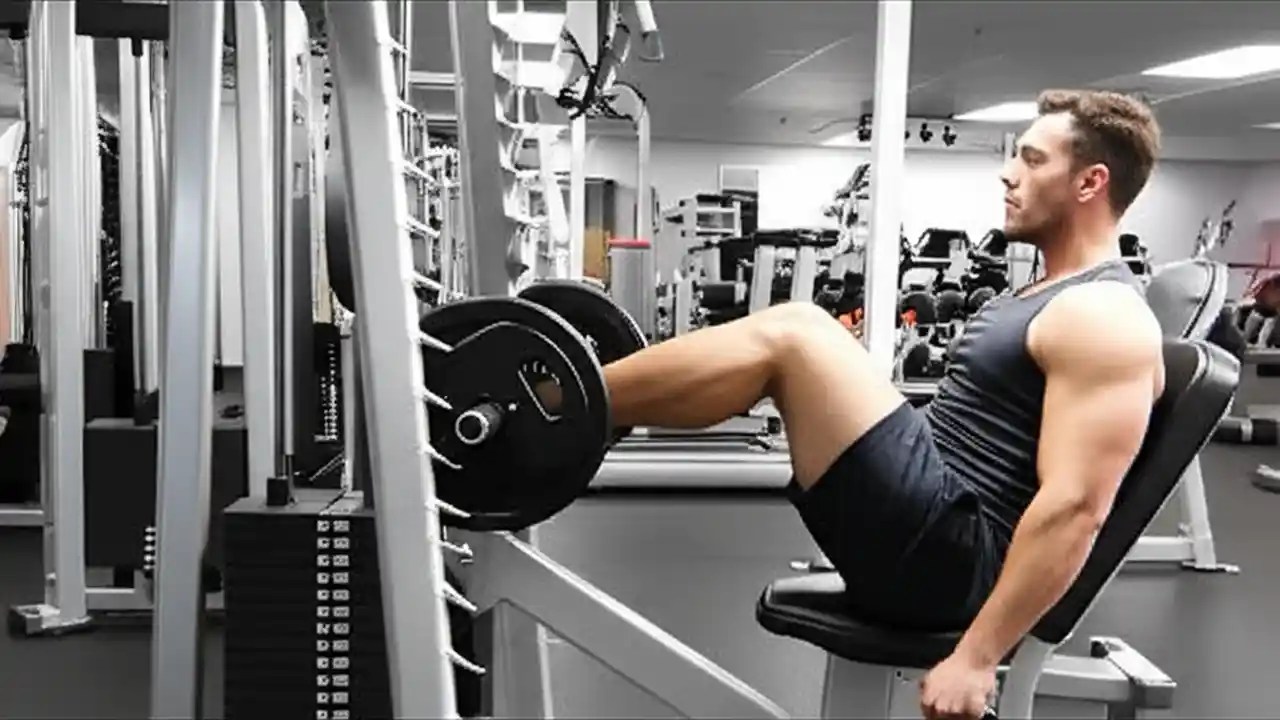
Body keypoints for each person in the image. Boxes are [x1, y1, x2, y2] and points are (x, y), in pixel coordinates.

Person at [596, 89, 1166, 720]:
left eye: (1032, 160)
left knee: (798, 334)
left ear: (1091, 182)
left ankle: (565, 407)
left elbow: (1076, 506)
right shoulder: (1046, 293)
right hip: (934, 521)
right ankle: (581, 412)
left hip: (953, 562)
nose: (1008, 173)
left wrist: (977, 657)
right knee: (809, 341)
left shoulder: (1106, 315)